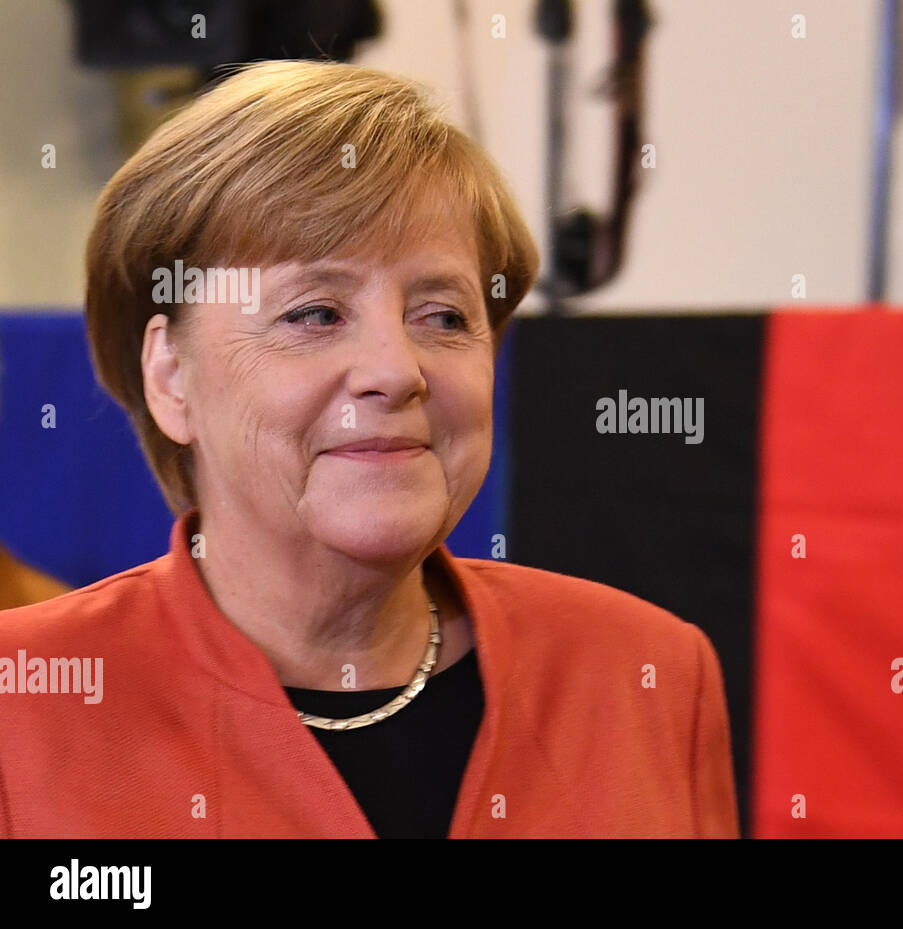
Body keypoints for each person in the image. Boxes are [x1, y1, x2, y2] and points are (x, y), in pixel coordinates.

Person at [0, 60, 739, 838]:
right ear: (172, 375)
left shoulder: (650, 674)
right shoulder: (23, 703)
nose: (397, 369)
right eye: (315, 313)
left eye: (445, 317)